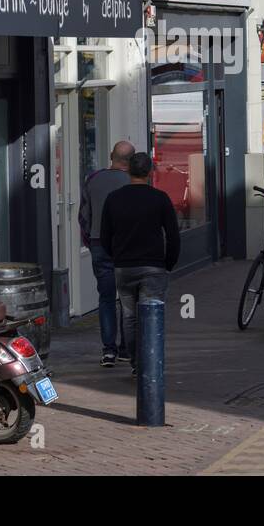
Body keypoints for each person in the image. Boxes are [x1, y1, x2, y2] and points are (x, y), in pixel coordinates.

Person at [99, 152, 181, 376]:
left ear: (128, 170)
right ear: (150, 172)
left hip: (124, 267)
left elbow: (104, 236)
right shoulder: (160, 198)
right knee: (152, 316)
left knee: (130, 317)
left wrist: (117, 256)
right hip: (153, 267)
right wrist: (169, 263)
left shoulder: (114, 198)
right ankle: (150, 361)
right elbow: (173, 235)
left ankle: (136, 363)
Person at [78, 141, 134, 366]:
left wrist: (91, 241)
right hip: (125, 245)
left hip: (99, 243)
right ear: (130, 161)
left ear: (111, 155)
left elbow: (83, 216)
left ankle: (108, 351)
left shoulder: (93, 179)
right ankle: (125, 349)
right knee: (128, 299)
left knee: (106, 298)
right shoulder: (133, 182)